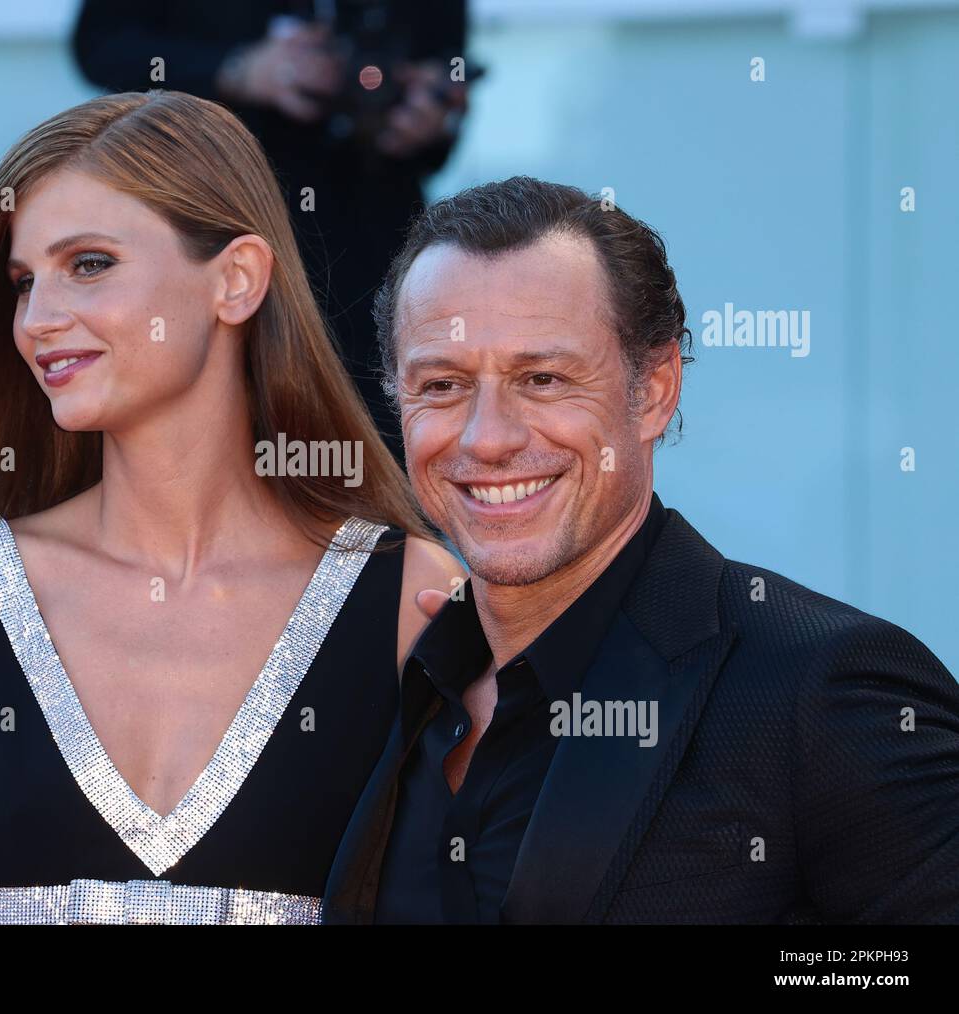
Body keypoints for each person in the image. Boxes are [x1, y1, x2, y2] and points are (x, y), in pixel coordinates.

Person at [0, 90, 465, 924]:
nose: (39, 320)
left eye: (89, 264)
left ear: (236, 280)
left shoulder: (406, 600)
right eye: (22, 282)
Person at [324, 175, 959, 924]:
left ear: (654, 390)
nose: (487, 438)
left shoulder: (821, 688)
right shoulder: (403, 686)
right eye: (443, 384)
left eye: (543, 378)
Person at [70, 0, 472, 464]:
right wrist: (237, 69)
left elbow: (446, 70)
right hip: (217, 224)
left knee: (384, 458)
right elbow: (100, 44)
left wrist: (428, 116)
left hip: (373, 243)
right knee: (224, 449)